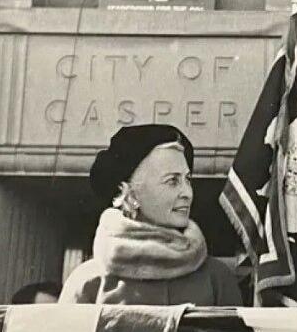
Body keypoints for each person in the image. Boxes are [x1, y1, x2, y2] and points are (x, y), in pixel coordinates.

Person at [60, 124, 241, 306]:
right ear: (128, 193)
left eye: (188, 180)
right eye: (172, 181)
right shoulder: (88, 282)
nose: (187, 193)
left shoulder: (216, 280)